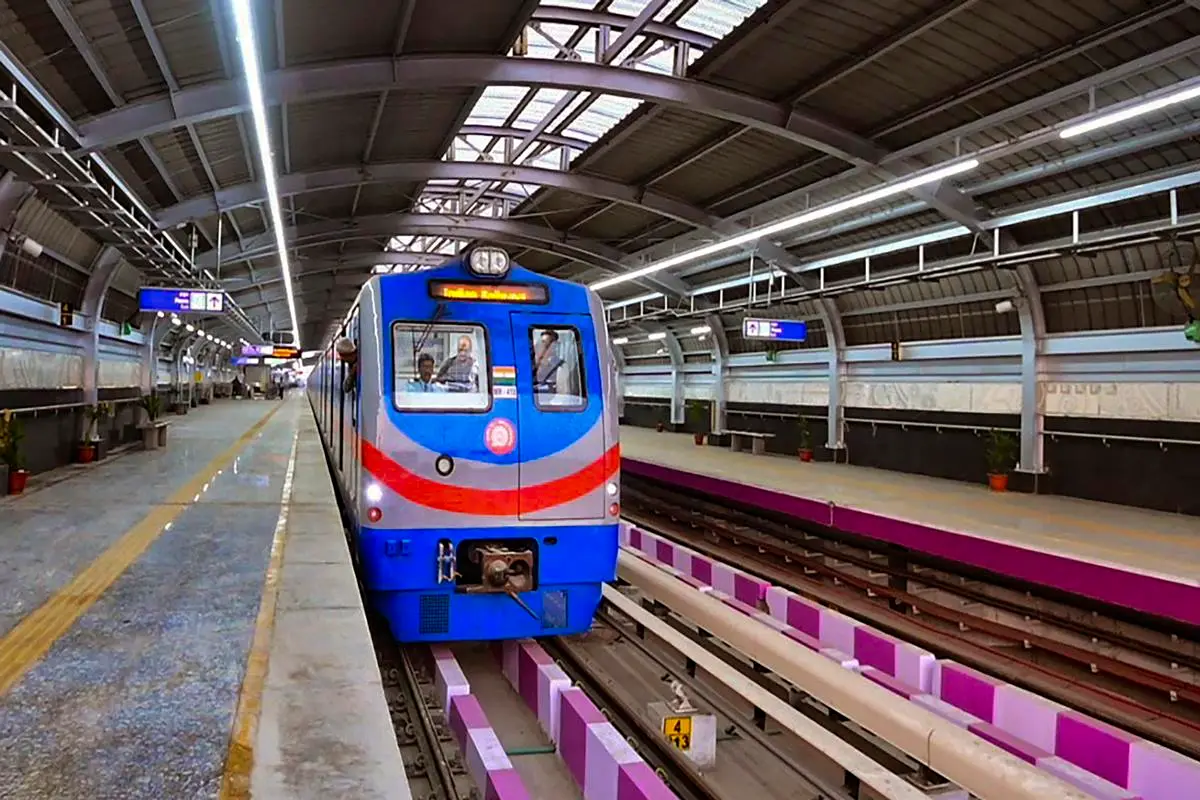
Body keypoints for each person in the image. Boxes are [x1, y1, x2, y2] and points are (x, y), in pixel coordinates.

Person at [533, 329, 564, 395]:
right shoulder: (531, 363)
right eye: (541, 342)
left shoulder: (560, 367)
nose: (541, 346)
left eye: (547, 344)